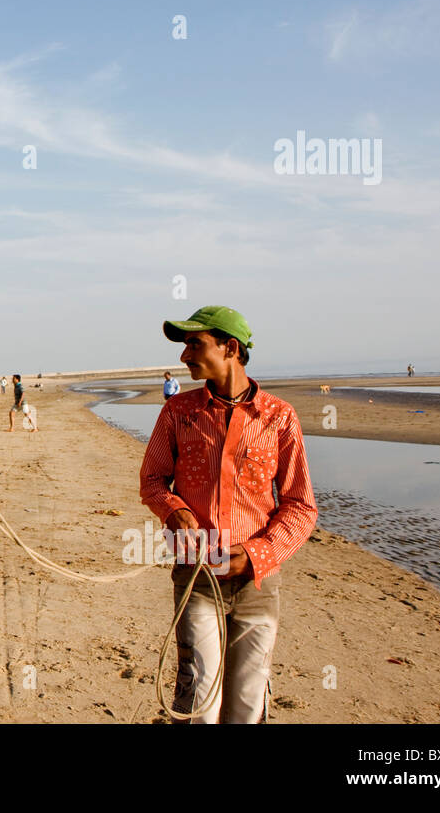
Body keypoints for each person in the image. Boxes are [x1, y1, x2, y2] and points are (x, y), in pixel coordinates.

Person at [138, 305, 317, 724]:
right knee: (200, 699)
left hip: (257, 582)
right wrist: (174, 509)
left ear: (230, 347)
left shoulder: (279, 417)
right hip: (196, 577)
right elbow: (152, 480)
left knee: (247, 704)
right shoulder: (177, 412)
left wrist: (257, 554)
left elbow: (300, 505)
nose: (185, 356)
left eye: (194, 344)